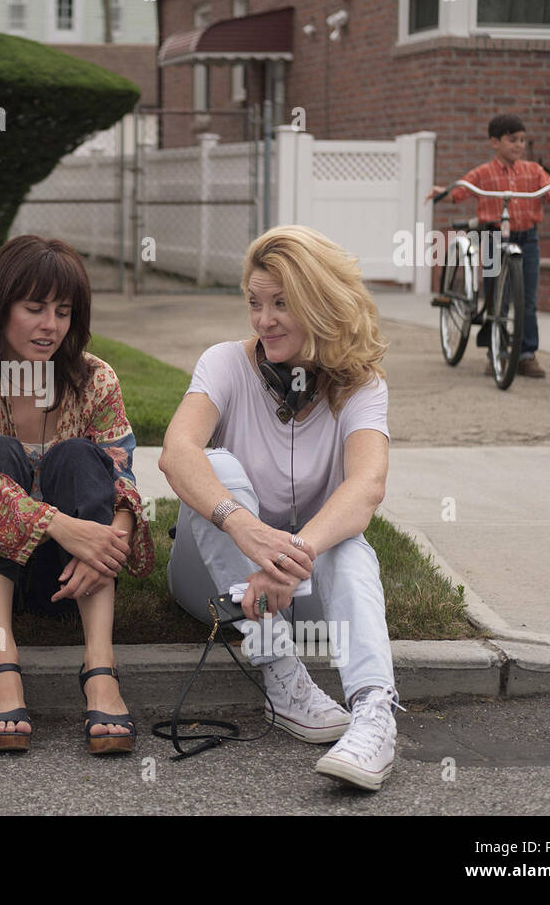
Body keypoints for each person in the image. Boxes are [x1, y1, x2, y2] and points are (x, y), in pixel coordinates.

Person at [160, 224, 399, 791]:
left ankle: (375, 716)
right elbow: (176, 453)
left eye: (282, 303)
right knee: (216, 468)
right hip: (219, 586)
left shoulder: (363, 385)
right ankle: (282, 676)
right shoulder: (224, 363)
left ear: (320, 305)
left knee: (349, 544)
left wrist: (293, 553)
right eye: (254, 302)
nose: (263, 319)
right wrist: (248, 532)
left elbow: (366, 487)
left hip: (301, 585)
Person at [0, 235, 154, 754]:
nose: (50, 325)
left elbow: (122, 476)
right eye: (34, 308)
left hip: (64, 580)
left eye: (63, 311)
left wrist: (110, 542)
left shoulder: (96, 380)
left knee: (80, 456)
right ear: (1, 306)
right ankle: (0, 661)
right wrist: (60, 524)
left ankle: (101, 667)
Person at [426, 113, 550, 378]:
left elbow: (547, 189)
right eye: (512, 140)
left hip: (526, 238)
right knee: (498, 295)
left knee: (527, 300)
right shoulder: (484, 173)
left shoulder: (533, 170)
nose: (519, 145)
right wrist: (445, 192)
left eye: (522, 140)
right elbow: (462, 189)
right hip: (494, 237)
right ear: (495, 142)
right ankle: (496, 351)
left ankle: (526, 355)